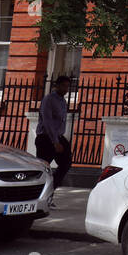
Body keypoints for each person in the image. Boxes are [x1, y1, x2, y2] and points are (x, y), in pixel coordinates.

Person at [36, 75, 73, 206]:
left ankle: (49, 193)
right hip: (46, 138)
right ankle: (39, 197)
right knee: (43, 169)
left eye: (68, 86)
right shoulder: (48, 100)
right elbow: (47, 121)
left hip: (58, 136)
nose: (66, 89)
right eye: (63, 86)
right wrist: (55, 141)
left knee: (66, 162)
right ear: (56, 85)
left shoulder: (63, 101)